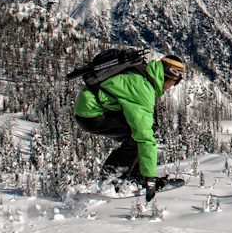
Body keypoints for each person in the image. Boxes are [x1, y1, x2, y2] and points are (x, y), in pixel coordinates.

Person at [74, 53, 186, 200]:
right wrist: (150, 179)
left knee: (142, 130)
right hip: (90, 114)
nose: (172, 87)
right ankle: (111, 179)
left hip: (93, 106)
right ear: (169, 77)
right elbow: (144, 137)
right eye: (174, 82)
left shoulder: (143, 72)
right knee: (138, 135)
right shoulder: (142, 89)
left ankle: (134, 177)